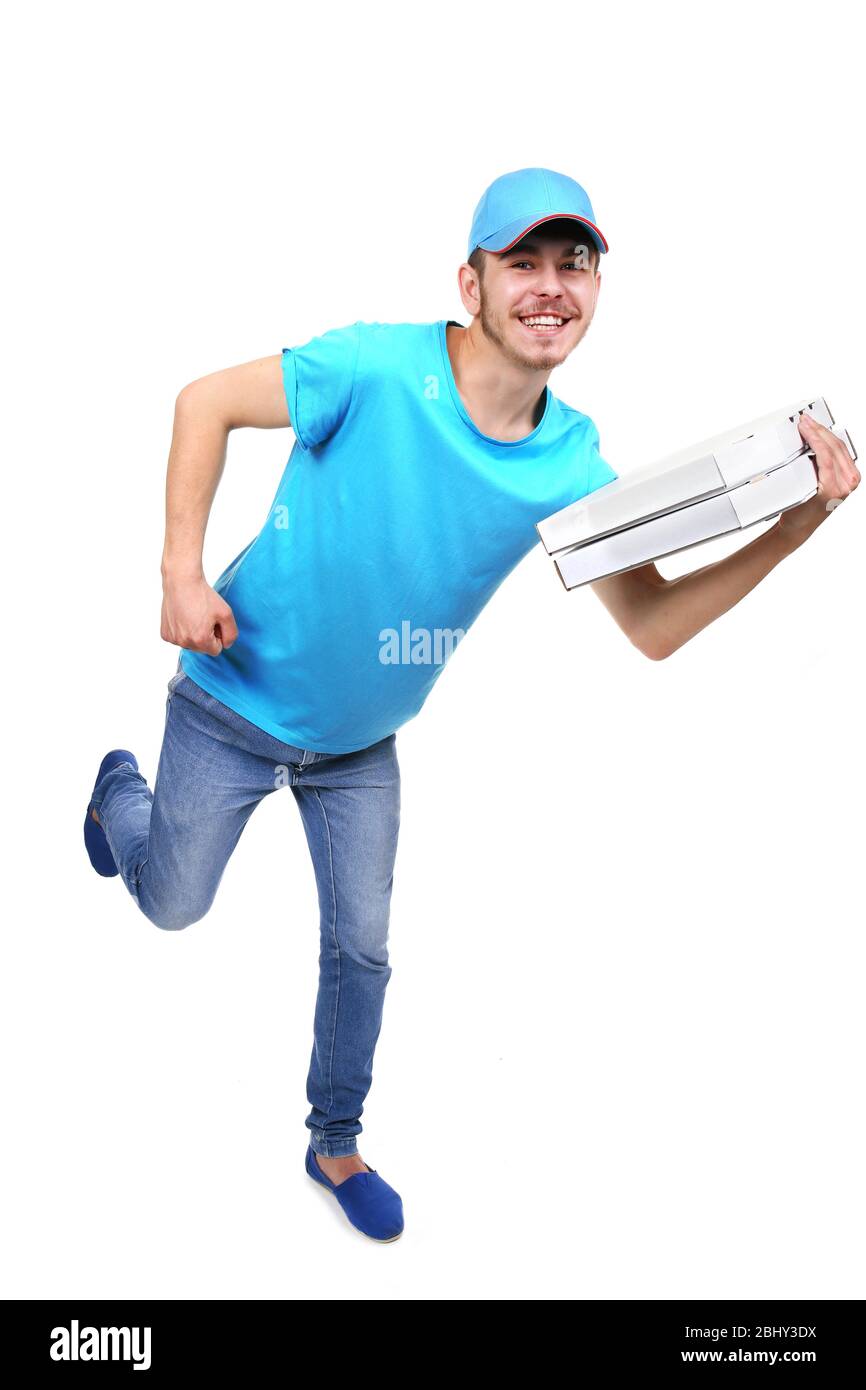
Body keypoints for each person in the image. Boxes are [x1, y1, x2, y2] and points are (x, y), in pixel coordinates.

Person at [83, 167, 860, 1243]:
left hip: (357, 748)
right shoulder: (373, 366)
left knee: (361, 949)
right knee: (170, 902)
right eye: (522, 263)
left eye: (572, 265)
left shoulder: (571, 465)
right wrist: (180, 571)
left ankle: (333, 1138)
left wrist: (794, 524)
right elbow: (203, 402)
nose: (550, 287)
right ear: (472, 280)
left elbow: (651, 626)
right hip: (228, 702)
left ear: (594, 290)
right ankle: (122, 794)